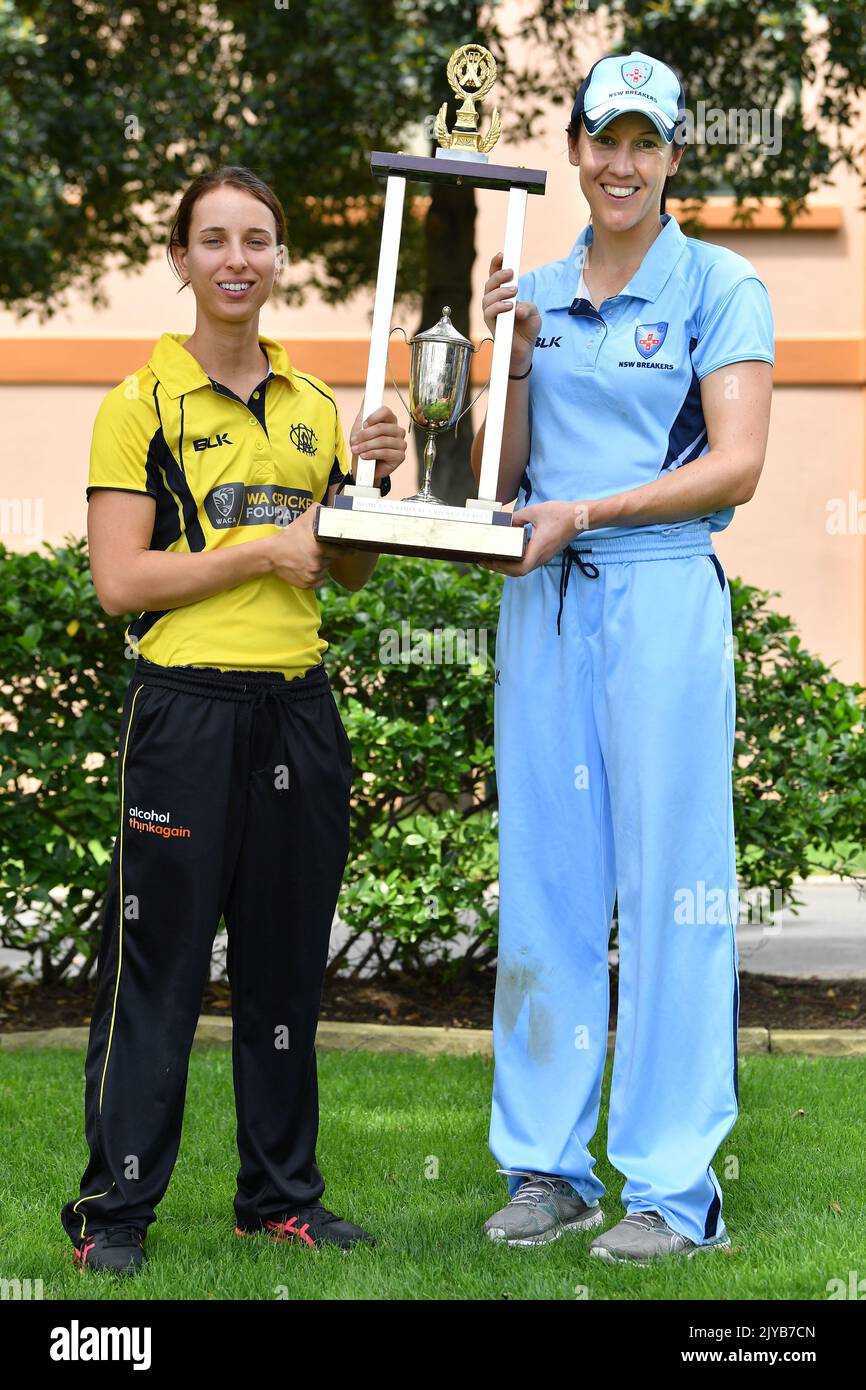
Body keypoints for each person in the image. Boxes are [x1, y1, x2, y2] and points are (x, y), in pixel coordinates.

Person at [60, 166, 406, 1273]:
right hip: (188, 712)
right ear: (180, 260)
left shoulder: (312, 408)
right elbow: (120, 581)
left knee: (282, 968)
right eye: (213, 239)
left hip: (297, 713)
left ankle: (280, 1198)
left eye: (257, 239)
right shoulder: (138, 405)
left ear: (280, 257)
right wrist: (263, 548)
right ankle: (113, 1214)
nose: (236, 260)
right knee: (156, 967)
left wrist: (374, 490)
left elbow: (341, 573)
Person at [471, 51, 774, 1261]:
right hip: (541, 602)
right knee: (543, 880)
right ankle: (544, 1169)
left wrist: (586, 515)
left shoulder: (719, 281)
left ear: (674, 155)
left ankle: (669, 1187)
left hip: (653, 600)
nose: (621, 164)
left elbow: (735, 462)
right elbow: (497, 487)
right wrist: (494, 365)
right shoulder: (530, 290)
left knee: (668, 893)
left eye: (645, 142)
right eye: (604, 138)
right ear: (575, 148)